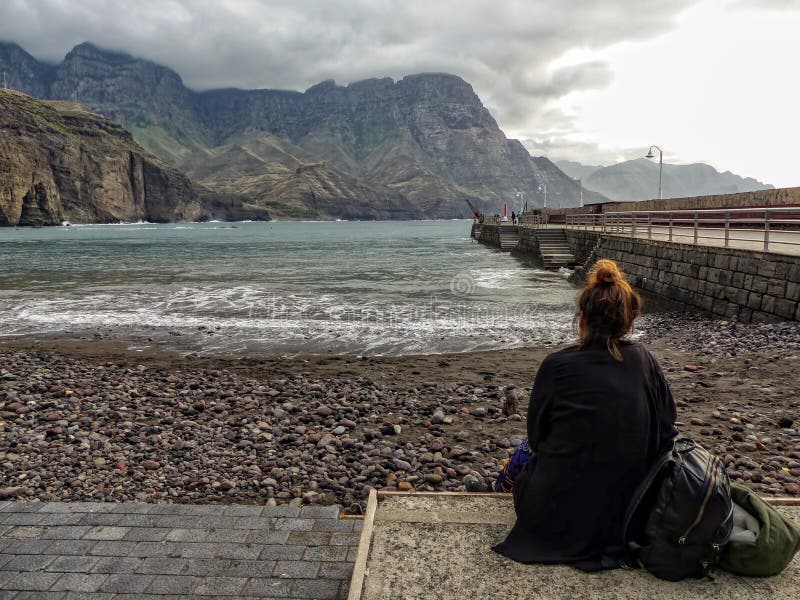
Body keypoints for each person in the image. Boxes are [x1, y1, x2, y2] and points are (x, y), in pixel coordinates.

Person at [484, 259, 677, 571]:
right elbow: (667, 426)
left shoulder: (558, 366)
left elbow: (537, 437)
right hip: (631, 513)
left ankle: (498, 487)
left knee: (523, 450)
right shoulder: (645, 361)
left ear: (582, 319)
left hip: (558, 515)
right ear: (629, 321)